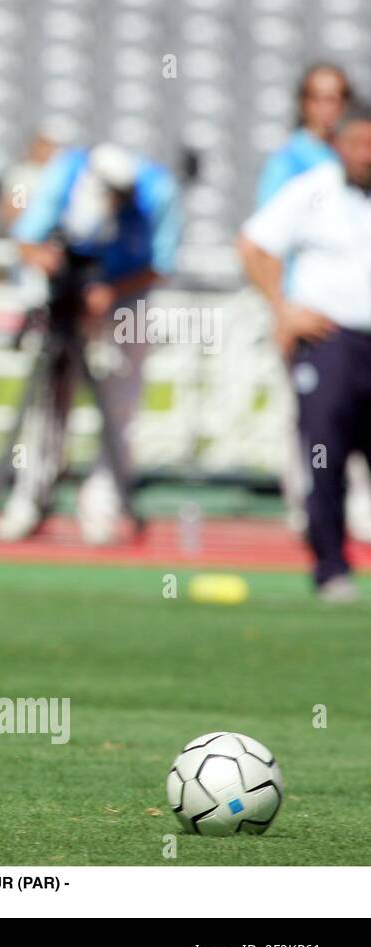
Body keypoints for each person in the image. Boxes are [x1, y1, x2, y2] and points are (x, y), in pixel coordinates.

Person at [0, 142, 181, 544]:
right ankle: (29, 499)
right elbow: (28, 239)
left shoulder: (159, 192)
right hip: (66, 303)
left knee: (119, 407)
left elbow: (159, 264)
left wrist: (109, 292)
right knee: (48, 404)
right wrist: (55, 271)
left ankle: (102, 506)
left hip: (125, 305)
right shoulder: (67, 174)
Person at [238, 100, 371, 602]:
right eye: (357, 144)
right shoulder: (312, 193)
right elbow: (254, 244)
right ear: (338, 145)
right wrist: (283, 309)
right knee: (324, 455)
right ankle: (331, 568)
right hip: (330, 343)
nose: (366, 155)